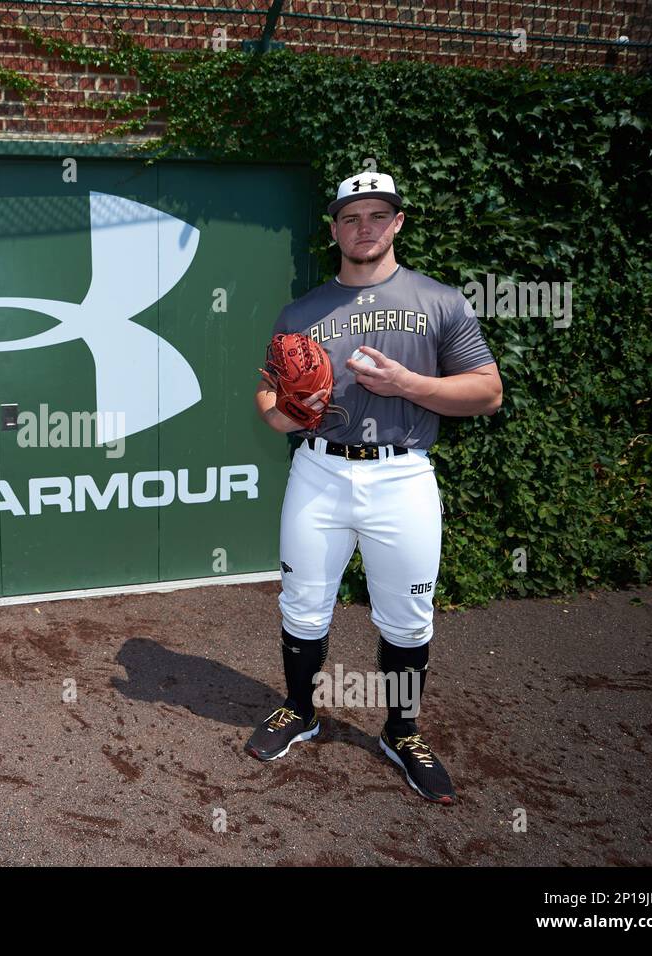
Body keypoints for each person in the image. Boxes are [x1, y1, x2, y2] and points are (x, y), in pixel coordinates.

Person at [246, 171, 503, 804]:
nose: (364, 228)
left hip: (402, 472)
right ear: (333, 228)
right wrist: (280, 413)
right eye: (351, 217)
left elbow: (488, 392)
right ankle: (301, 710)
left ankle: (402, 731)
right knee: (302, 604)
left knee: (408, 616)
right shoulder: (301, 310)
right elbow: (270, 394)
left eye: (377, 216)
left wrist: (409, 385)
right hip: (320, 469)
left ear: (398, 223)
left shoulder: (440, 301)